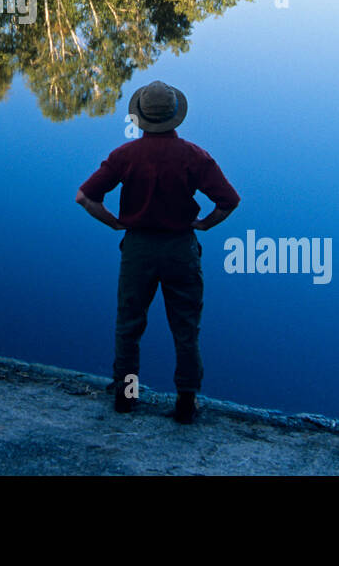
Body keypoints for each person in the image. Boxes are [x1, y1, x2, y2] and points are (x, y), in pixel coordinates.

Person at [75, 80, 240, 424]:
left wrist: (114, 223)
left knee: (129, 325)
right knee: (185, 327)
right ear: (176, 117)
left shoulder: (124, 156)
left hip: (138, 249)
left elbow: (85, 197)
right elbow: (229, 201)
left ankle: (127, 394)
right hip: (180, 248)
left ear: (139, 118)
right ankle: (185, 402)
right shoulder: (195, 156)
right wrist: (206, 225)